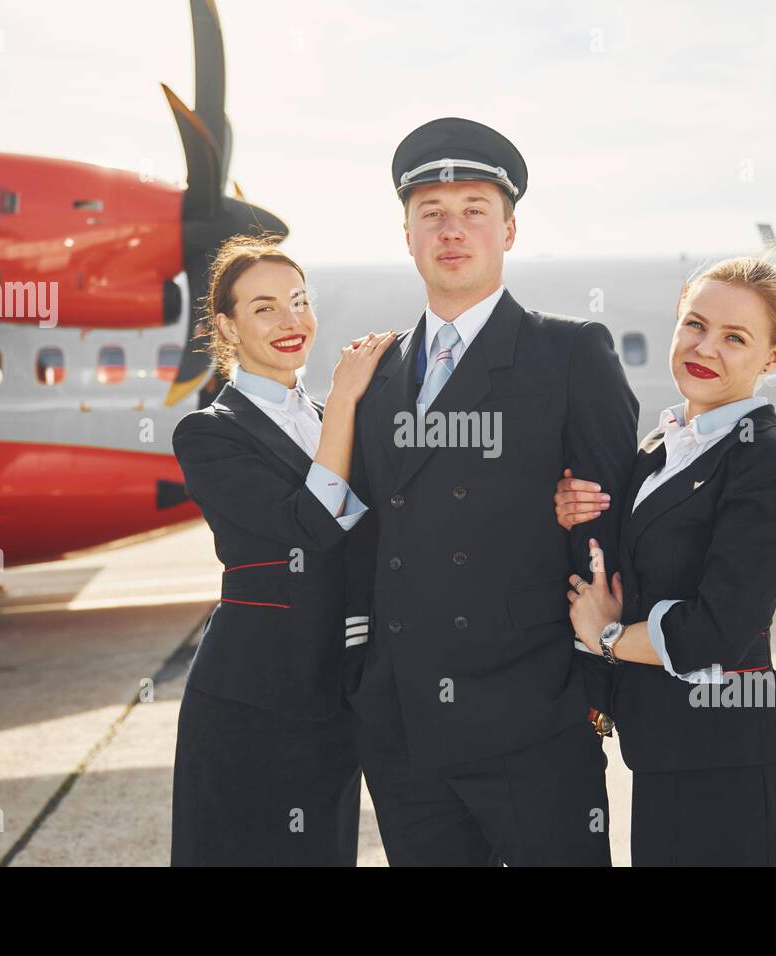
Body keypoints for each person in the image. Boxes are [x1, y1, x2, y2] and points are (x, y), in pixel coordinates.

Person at [343, 117, 640, 866]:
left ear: (509, 230)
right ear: (406, 234)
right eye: (431, 214)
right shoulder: (373, 376)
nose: (452, 230)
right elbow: (359, 534)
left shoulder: (569, 353)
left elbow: (607, 528)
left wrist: (596, 681)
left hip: (532, 720)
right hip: (405, 730)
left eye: (475, 210)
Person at [560, 256, 776, 866]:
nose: (706, 348)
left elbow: (716, 632)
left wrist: (608, 637)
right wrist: (570, 504)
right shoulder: (656, 449)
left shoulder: (769, 463)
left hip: (736, 764)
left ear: (771, 357)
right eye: (694, 325)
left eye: (735, 338)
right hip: (663, 756)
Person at [169, 236, 396, 866]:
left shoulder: (328, 416)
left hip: (335, 692)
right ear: (227, 326)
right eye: (265, 308)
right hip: (252, 695)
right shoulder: (209, 433)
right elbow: (311, 524)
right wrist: (348, 400)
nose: (291, 321)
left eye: (299, 301)